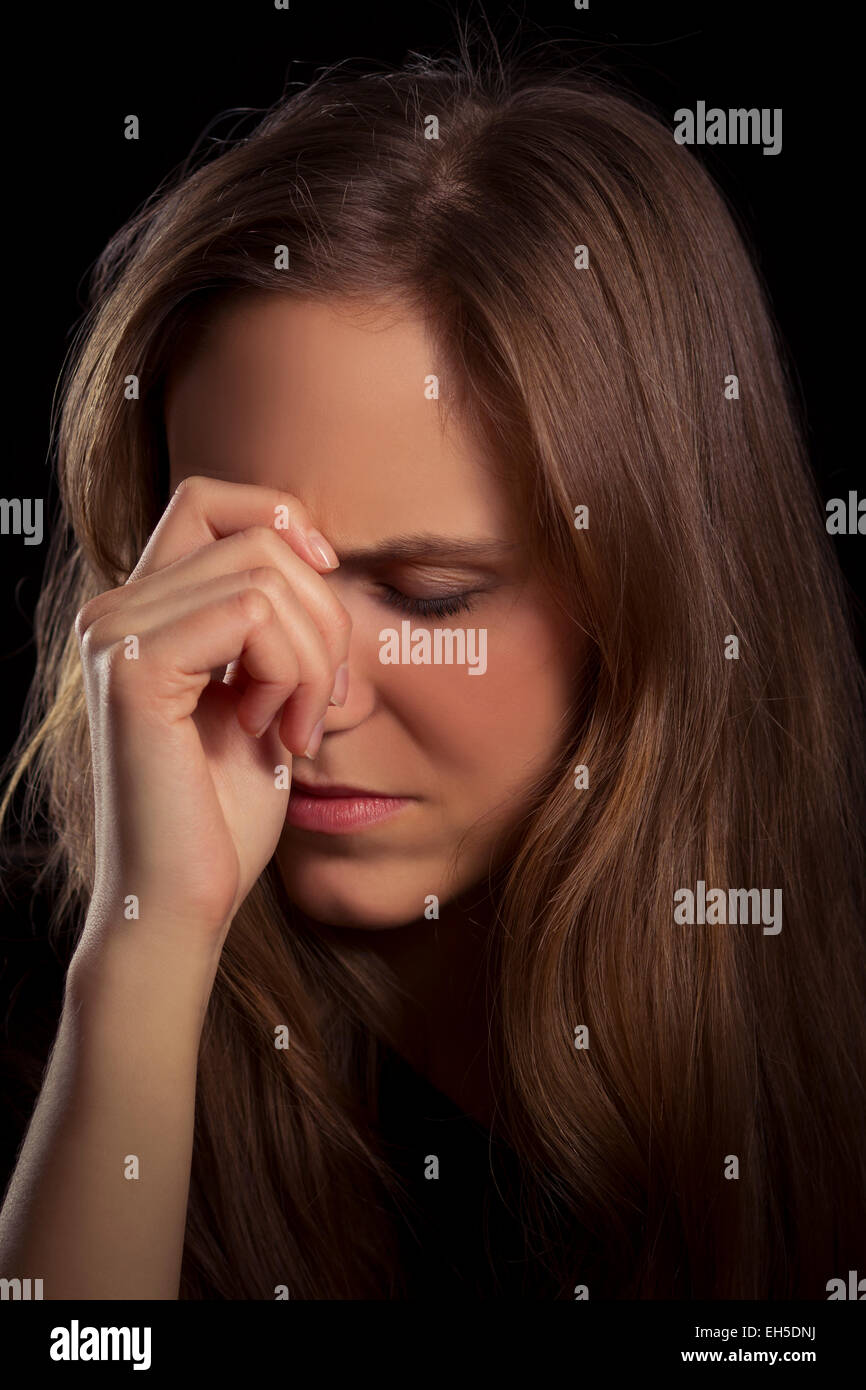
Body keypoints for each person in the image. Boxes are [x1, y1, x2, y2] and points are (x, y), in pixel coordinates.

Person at [1, 40, 864, 1300]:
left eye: (429, 597)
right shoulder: (47, 1017)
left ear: (654, 598)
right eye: (230, 572)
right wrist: (146, 950)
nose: (313, 693)